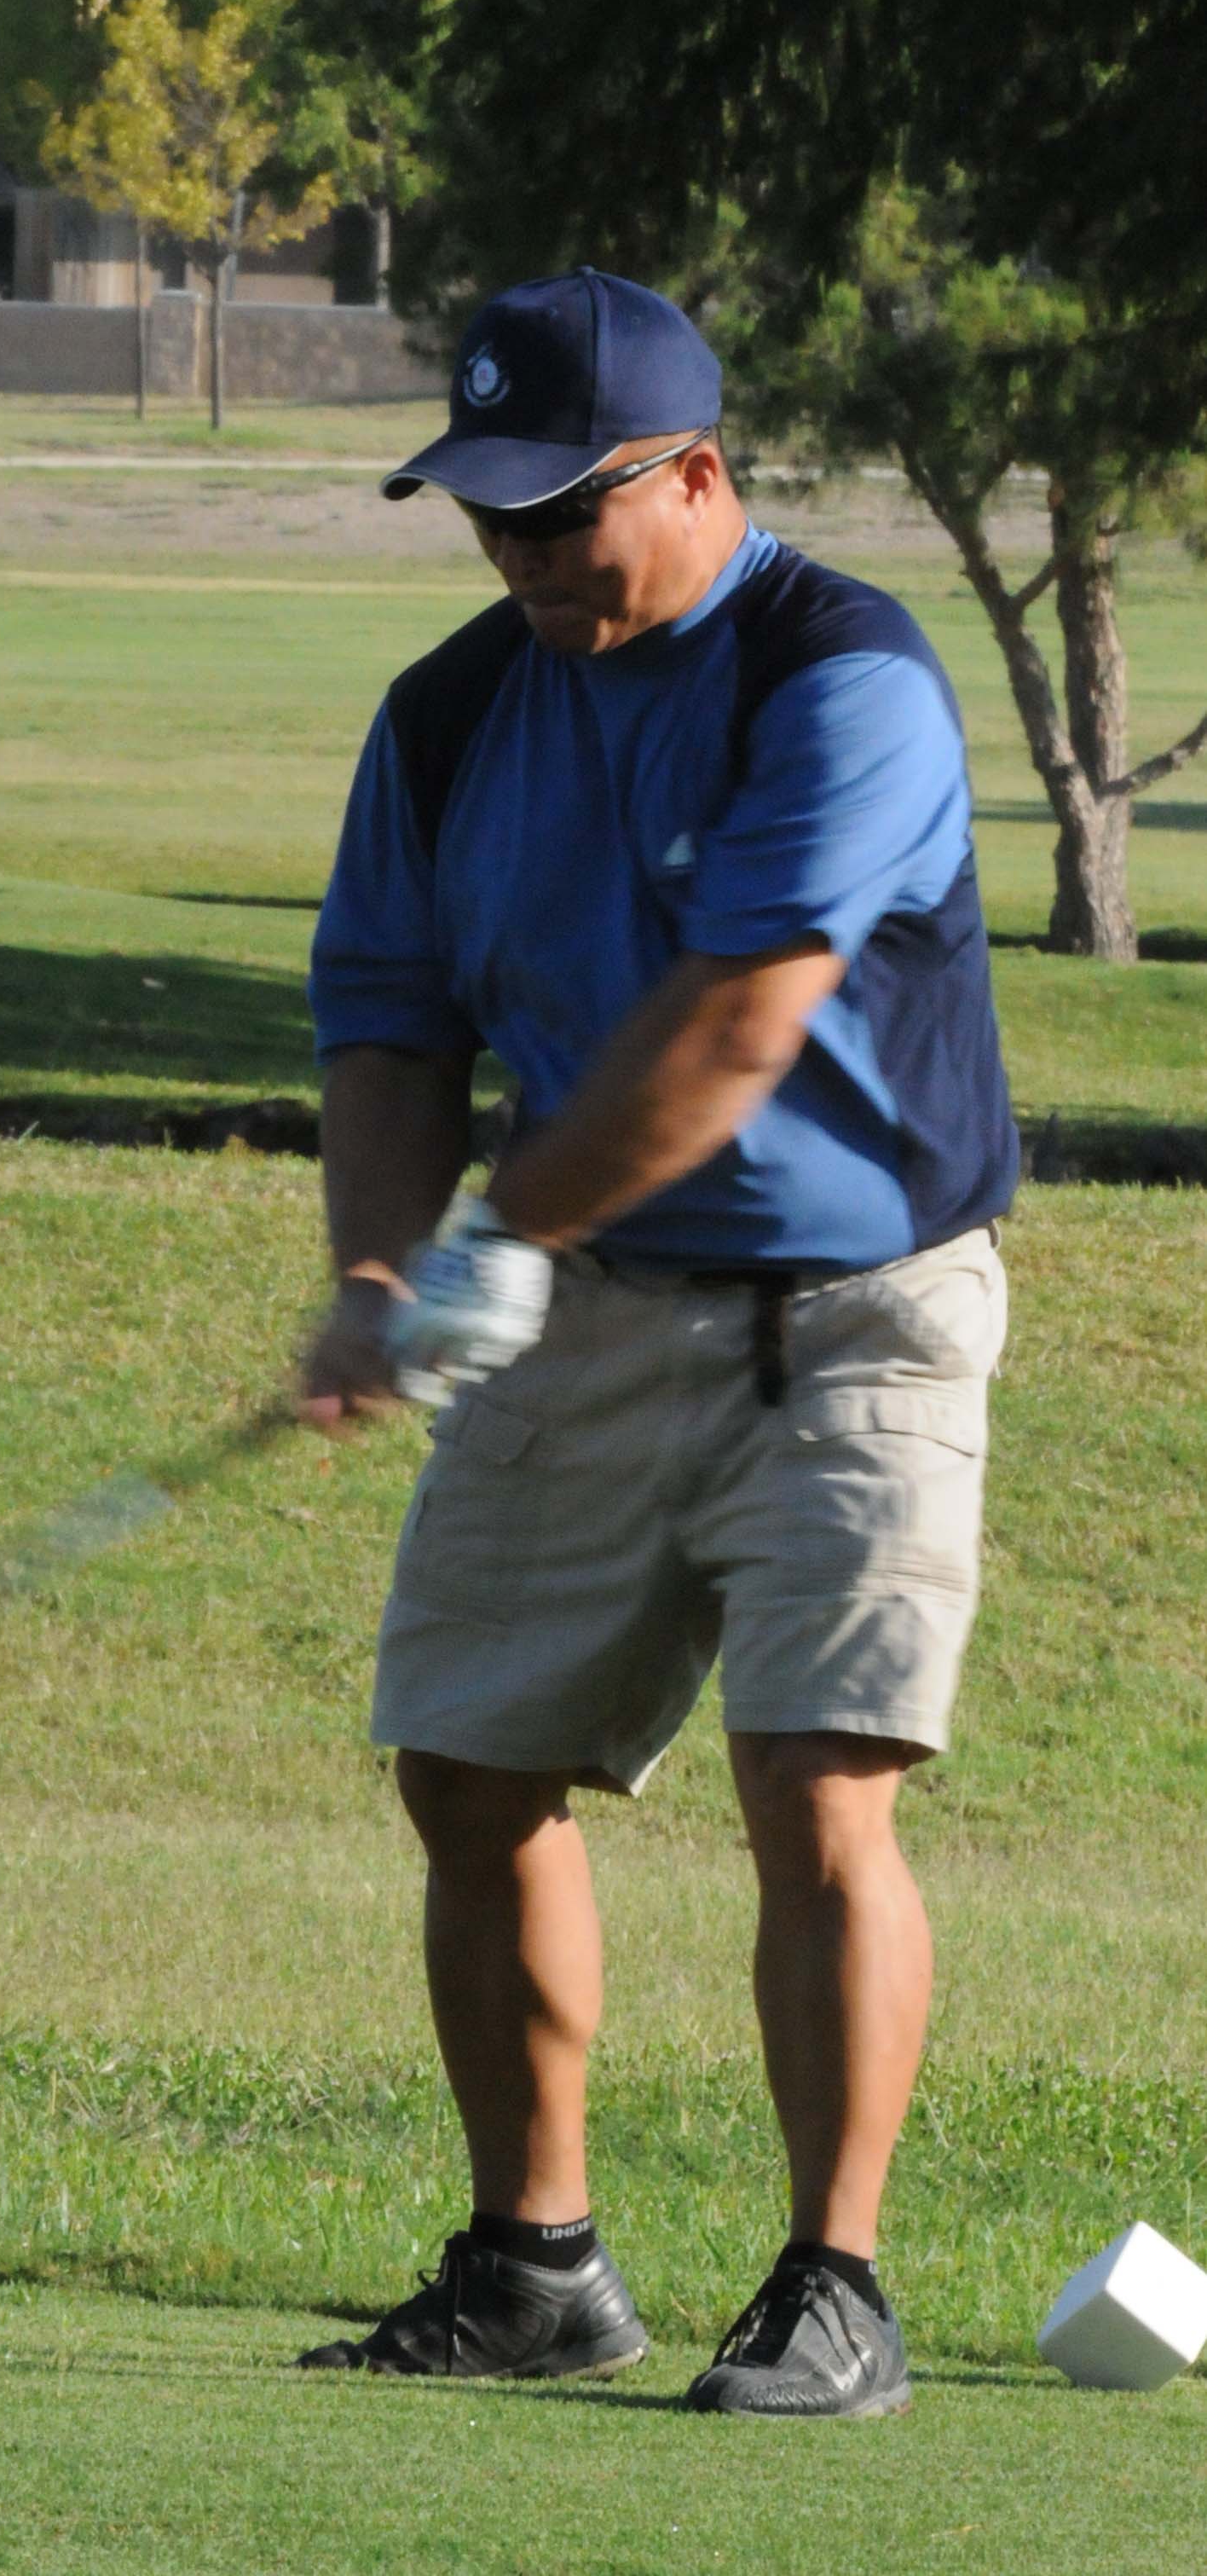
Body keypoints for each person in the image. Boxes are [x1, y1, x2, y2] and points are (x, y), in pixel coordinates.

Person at [294, 268, 1017, 2418]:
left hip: (855, 1319)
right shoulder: (448, 714)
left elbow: (733, 1024)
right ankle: (536, 2261)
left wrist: (501, 1229)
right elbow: (391, 1025)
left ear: (696, 472)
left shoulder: (843, 680)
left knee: (814, 1789)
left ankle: (837, 2285)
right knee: (470, 1764)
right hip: (585, 1315)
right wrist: (371, 1268)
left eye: (562, 514)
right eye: (488, 518)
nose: (521, 559)